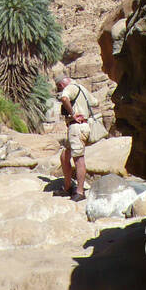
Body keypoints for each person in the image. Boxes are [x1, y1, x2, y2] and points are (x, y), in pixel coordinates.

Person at [55, 71, 100, 201]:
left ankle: (80, 192)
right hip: (83, 126)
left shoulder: (69, 88)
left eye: (59, 87)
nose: (60, 90)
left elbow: (64, 99)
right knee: (64, 156)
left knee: (78, 160)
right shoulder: (82, 88)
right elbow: (95, 102)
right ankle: (67, 187)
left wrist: (73, 113)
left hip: (76, 127)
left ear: (62, 84)